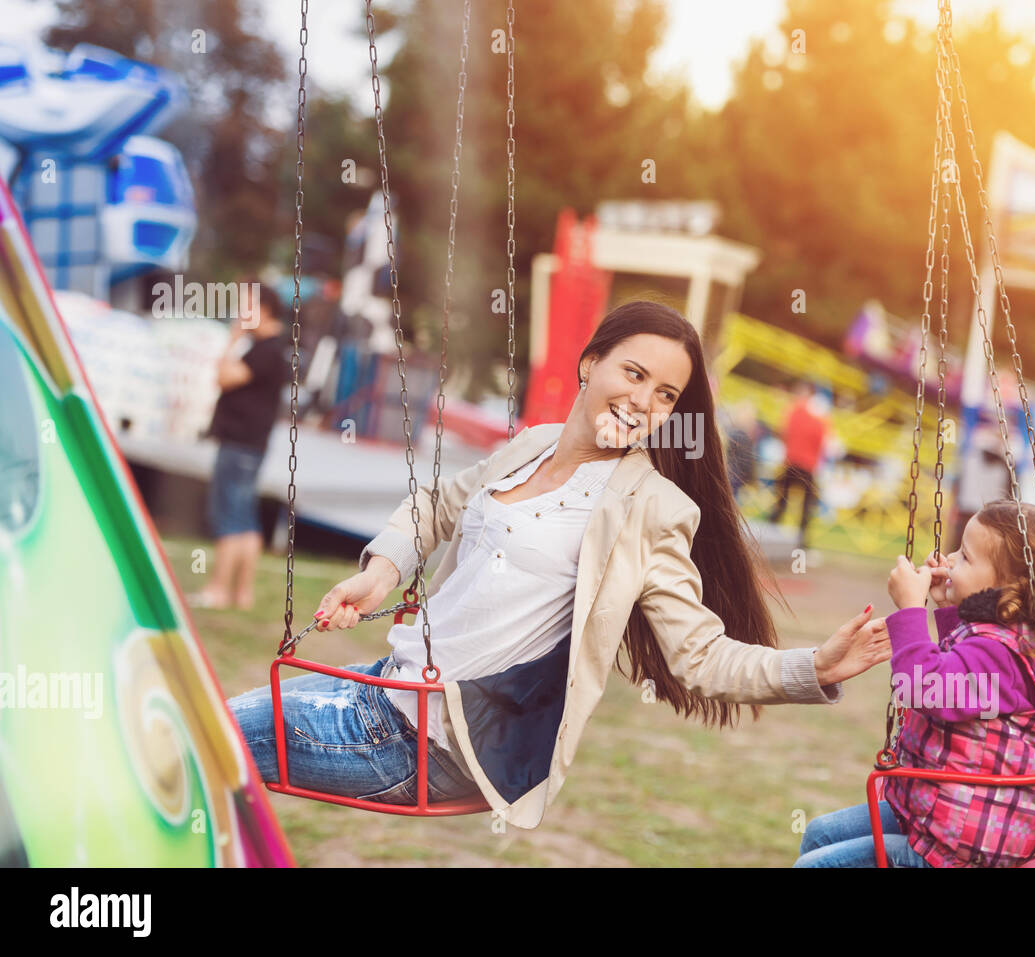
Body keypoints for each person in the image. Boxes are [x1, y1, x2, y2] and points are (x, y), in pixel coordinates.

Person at [226, 300, 891, 828]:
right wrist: (379, 573)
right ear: (589, 363)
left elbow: (702, 656)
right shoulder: (534, 445)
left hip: (437, 737)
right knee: (205, 722)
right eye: (633, 373)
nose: (642, 401)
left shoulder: (650, 508)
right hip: (386, 687)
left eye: (665, 394)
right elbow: (436, 505)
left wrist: (815, 667)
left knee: (208, 736)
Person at [794, 501, 1035, 867]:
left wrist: (910, 609)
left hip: (972, 838)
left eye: (965, 557)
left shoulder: (1007, 653)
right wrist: (949, 608)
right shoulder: (1024, 636)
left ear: (1009, 586)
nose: (949, 559)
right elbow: (971, 686)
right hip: (953, 809)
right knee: (820, 834)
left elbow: (923, 688)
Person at [191, 283, 290, 610]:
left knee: (229, 516)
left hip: (240, 446)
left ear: (262, 310)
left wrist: (233, 338)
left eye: (246, 308)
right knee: (245, 517)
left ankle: (218, 588)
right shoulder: (272, 349)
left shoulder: (265, 351)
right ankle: (241, 593)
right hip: (251, 445)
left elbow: (224, 377)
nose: (239, 315)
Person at [767, 381, 830, 550]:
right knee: (805, 508)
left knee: (781, 502)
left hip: (792, 462)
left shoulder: (792, 410)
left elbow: (783, 433)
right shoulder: (819, 414)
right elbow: (823, 441)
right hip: (807, 465)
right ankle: (801, 546)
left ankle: (769, 540)